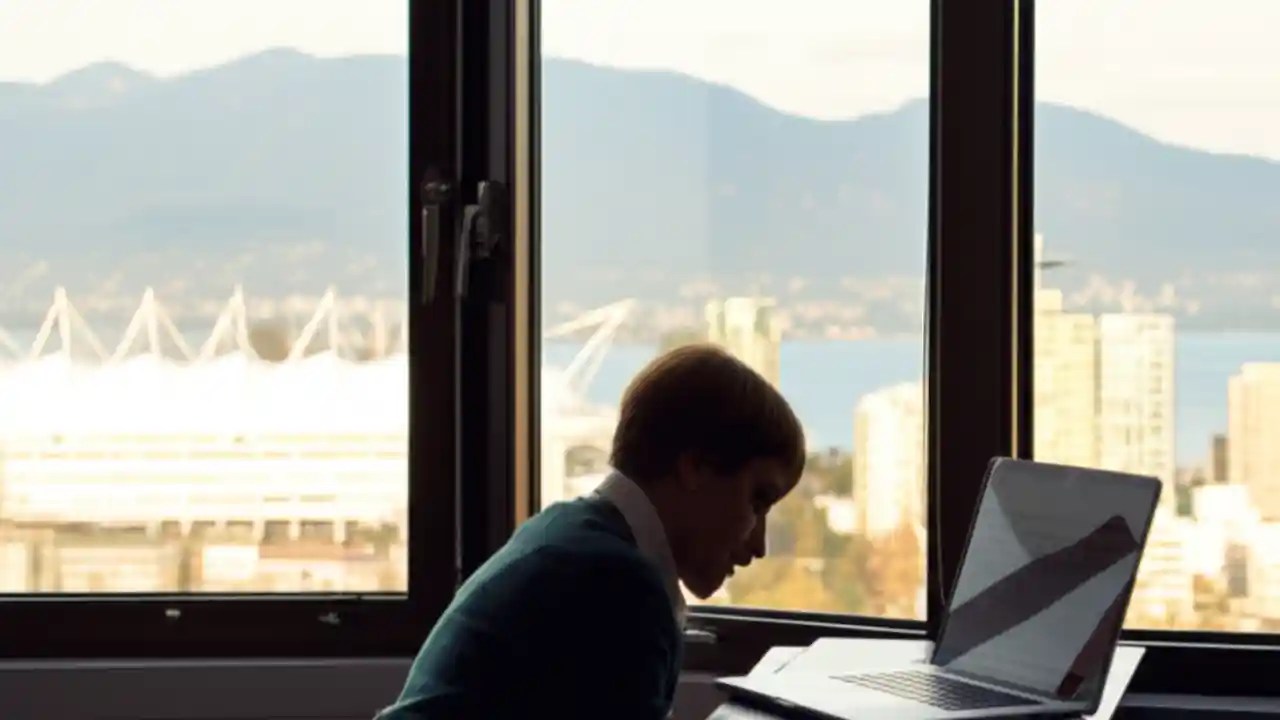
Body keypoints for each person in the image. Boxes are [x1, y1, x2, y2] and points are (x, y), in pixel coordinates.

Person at [376, 343, 805, 720]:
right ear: (695, 467)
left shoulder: (567, 533)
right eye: (757, 500)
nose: (759, 545)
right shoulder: (618, 586)